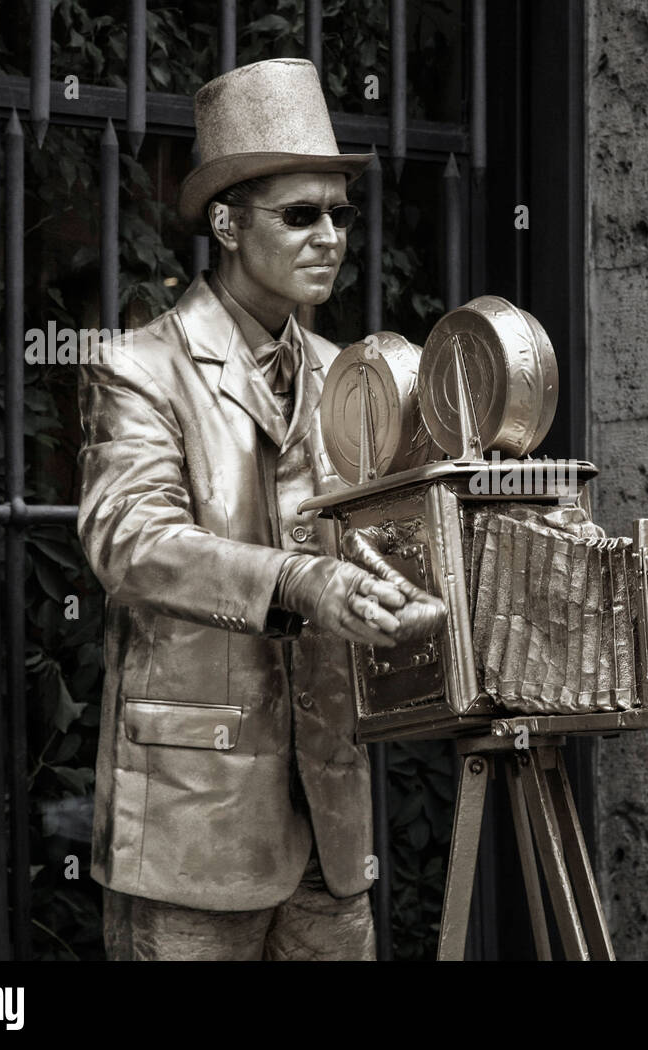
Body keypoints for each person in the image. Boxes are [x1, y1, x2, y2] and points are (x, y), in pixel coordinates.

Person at [76, 58, 440, 960]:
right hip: (194, 826)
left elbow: (389, 537)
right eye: (301, 215)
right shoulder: (140, 366)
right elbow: (130, 539)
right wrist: (300, 581)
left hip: (331, 821)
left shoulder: (349, 372)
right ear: (227, 224)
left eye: (340, 214)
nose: (330, 237)